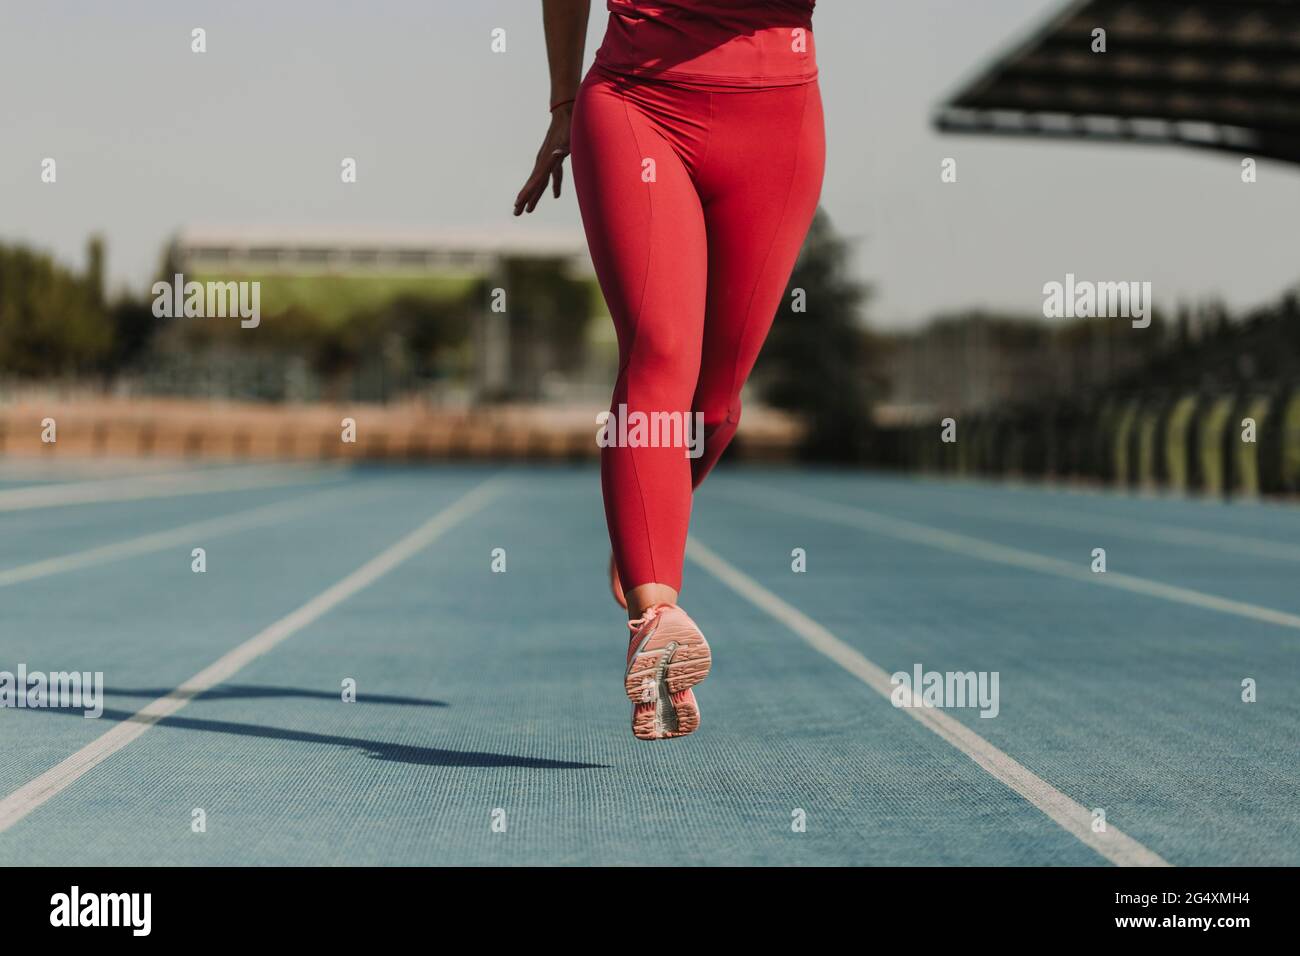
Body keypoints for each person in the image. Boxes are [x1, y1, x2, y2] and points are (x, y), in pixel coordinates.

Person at [514, 0, 824, 739]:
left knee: (714, 408)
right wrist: (563, 103)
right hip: (634, 102)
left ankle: (643, 525)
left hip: (776, 118)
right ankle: (655, 612)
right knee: (658, 352)